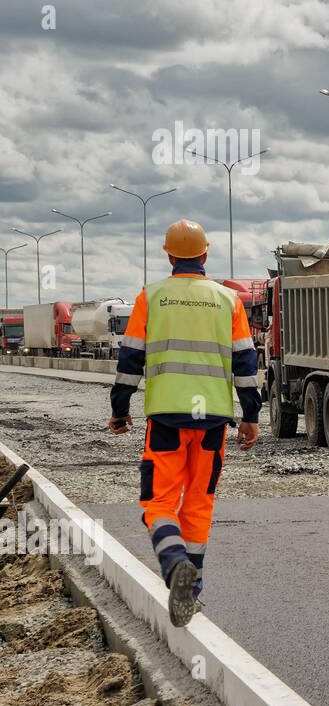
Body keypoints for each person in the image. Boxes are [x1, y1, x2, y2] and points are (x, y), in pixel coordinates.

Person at [107, 219, 260, 627]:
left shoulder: (151, 297)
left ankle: (175, 565)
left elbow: (130, 361)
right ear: (205, 255)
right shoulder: (229, 300)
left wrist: (120, 409)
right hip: (212, 420)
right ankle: (191, 593)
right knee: (198, 502)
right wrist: (251, 416)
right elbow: (247, 363)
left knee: (158, 502)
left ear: (170, 255)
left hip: (168, 418)